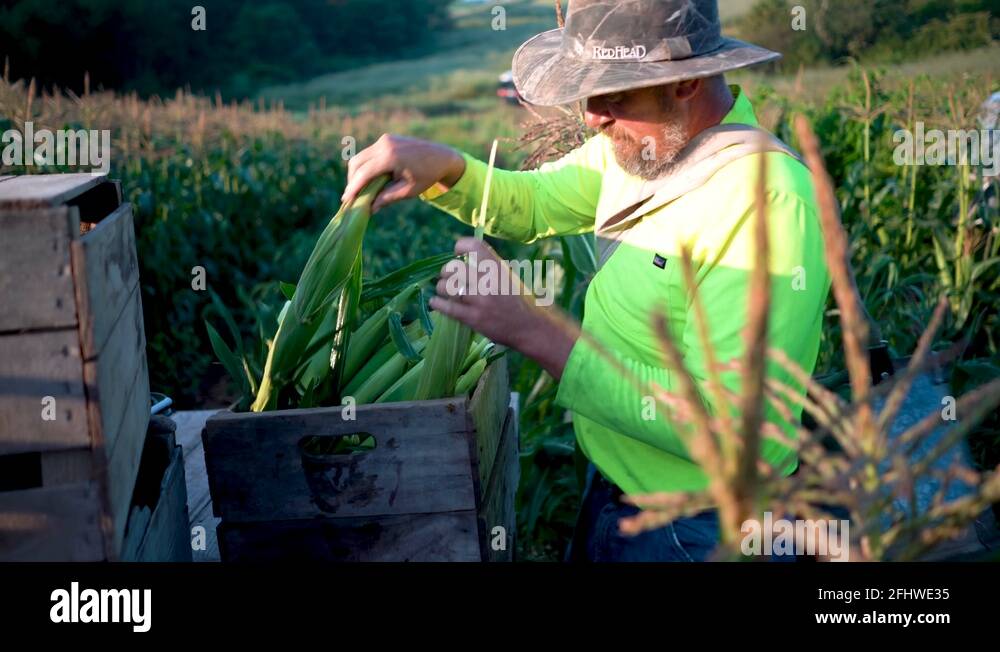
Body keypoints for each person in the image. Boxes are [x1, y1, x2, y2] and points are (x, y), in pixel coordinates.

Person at [343, 0, 831, 562]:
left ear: (687, 83)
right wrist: (446, 167)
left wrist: (533, 330)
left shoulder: (762, 202)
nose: (592, 116)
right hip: (616, 493)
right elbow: (534, 202)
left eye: (615, 94)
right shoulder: (641, 149)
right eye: (586, 91)